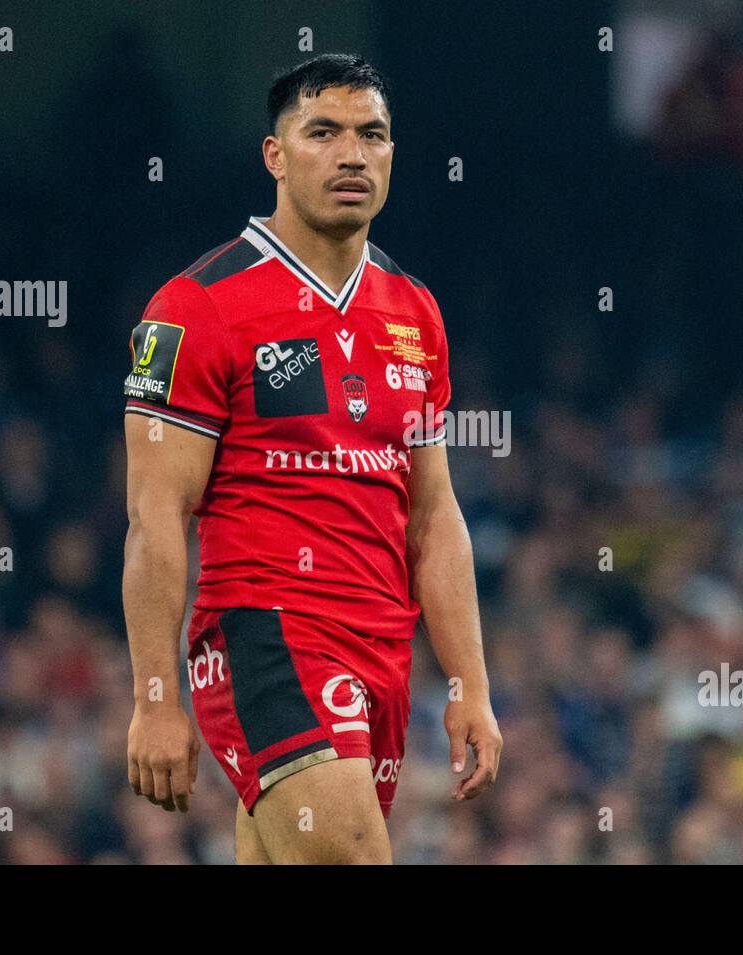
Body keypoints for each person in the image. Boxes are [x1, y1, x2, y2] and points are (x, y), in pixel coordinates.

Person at [120, 53, 501, 863]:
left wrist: (469, 679)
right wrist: (155, 697)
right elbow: (154, 517)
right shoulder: (198, 306)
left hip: (382, 649)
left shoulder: (415, 310)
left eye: (373, 135)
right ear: (276, 155)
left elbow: (434, 515)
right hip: (265, 633)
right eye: (322, 132)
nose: (352, 154)